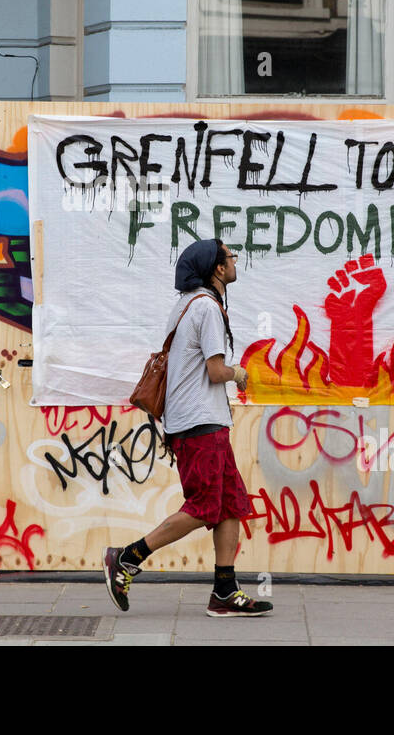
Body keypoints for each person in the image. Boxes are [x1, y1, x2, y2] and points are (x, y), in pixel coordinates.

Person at [103, 237, 274, 617]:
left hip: (199, 421)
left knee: (230, 505)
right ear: (216, 268)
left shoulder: (185, 305)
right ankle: (127, 558)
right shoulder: (207, 308)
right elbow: (215, 372)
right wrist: (238, 374)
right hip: (200, 423)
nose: (234, 262)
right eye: (230, 257)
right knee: (203, 507)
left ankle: (225, 592)